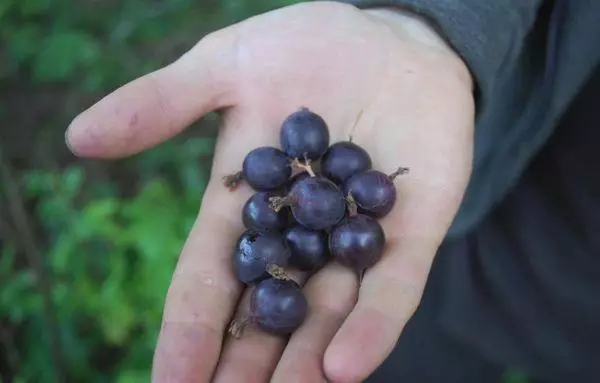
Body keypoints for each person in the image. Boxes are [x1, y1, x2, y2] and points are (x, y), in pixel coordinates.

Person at [65, 0, 600, 381]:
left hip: (578, 336)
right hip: (484, 238)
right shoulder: (316, 196)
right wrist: (430, 22)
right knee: (373, 355)